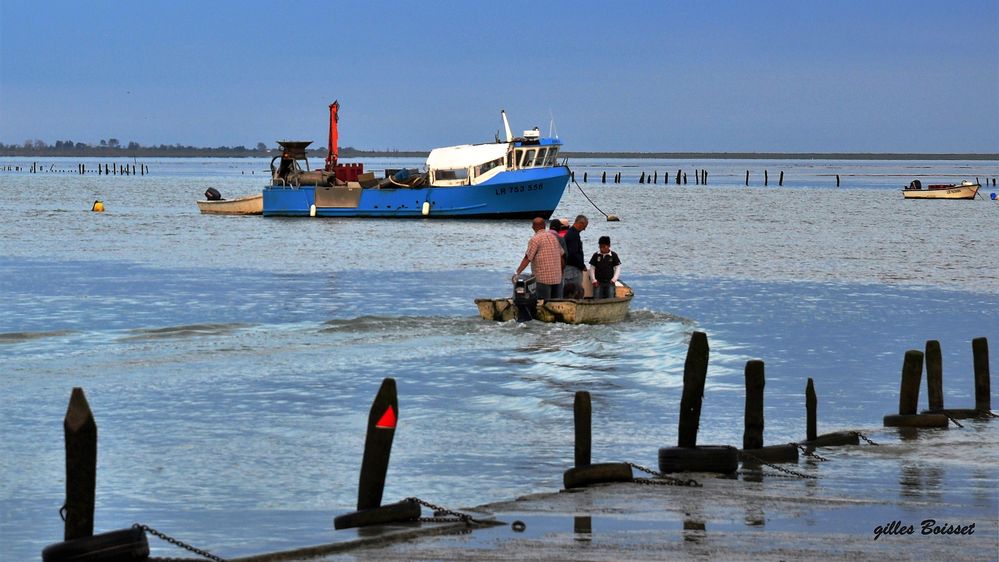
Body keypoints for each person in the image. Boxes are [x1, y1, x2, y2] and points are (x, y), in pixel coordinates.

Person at [515, 217, 564, 299]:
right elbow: (562, 255)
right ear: (545, 226)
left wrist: (517, 273)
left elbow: (527, 258)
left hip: (542, 280)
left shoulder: (535, 239)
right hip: (557, 278)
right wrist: (561, 272)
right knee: (555, 305)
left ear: (533, 227)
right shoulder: (554, 238)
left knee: (543, 305)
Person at [562, 214, 588, 299]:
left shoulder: (571, 233)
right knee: (576, 291)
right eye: (584, 226)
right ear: (580, 223)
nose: (584, 229)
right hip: (573, 269)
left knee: (567, 291)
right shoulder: (573, 235)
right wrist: (581, 265)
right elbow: (573, 253)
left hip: (568, 267)